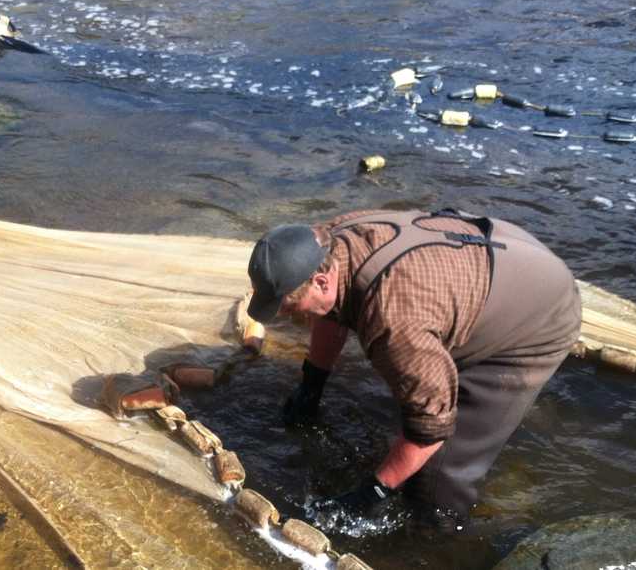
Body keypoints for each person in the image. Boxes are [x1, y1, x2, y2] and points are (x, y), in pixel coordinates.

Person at [245, 209, 581, 529]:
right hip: (506, 253)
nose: (284, 315)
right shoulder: (329, 241)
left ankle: (439, 540)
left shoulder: (393, 322)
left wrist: (372, 493)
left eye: (288, 305)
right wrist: (312, 384)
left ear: (321, 282)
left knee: (436, 481)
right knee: (418, 378)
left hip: (539, 314)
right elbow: (331, 311)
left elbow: (431, 427)